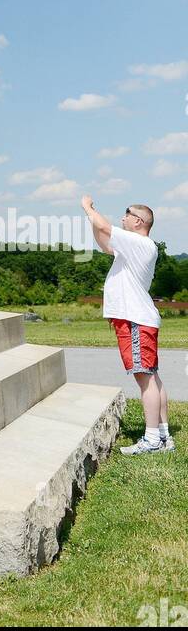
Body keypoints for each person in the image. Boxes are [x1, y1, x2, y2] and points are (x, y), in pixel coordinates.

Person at [82, 195, 174, 454]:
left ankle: (152, 439)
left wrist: (88, 208)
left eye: (126, 213)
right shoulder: (134, 246)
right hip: (139, 319)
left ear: (138, 221)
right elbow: (104, 244)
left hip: (135, 320)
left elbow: (104, 227)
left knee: (145, 379)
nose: (122, 217)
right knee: (152, 377)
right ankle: (164, 436)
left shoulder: (140, 243)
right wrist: (93, 219)